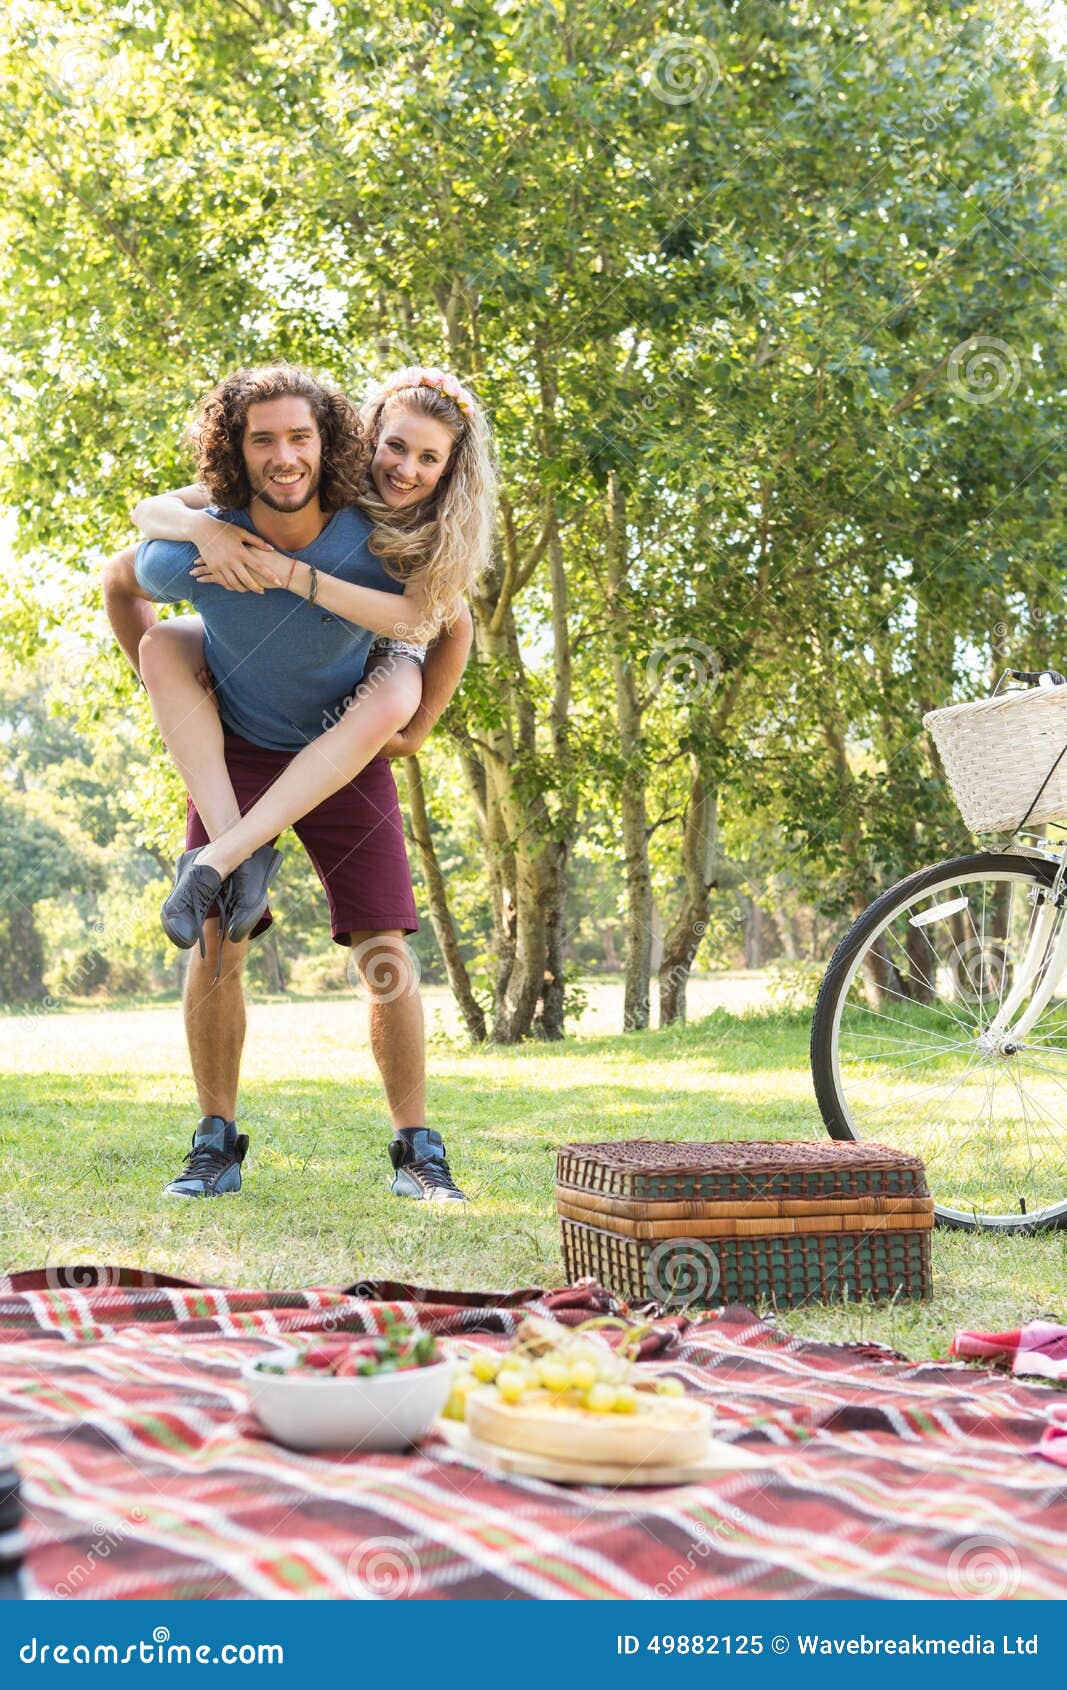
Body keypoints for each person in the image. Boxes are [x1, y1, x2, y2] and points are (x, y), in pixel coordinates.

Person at [101, 362, 495, 1205]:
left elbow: (448, 621)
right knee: (216, 942)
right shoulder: (217, 533)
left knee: (384, 951)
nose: (404, 469)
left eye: (300, 439)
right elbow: (124, 569)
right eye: (395, 448)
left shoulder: (389, 539)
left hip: (344, 747)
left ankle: (417, 1151)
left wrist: (417, 729)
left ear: (327, 442)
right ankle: (214, 1143)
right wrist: (176, 694)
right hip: (239, 747)